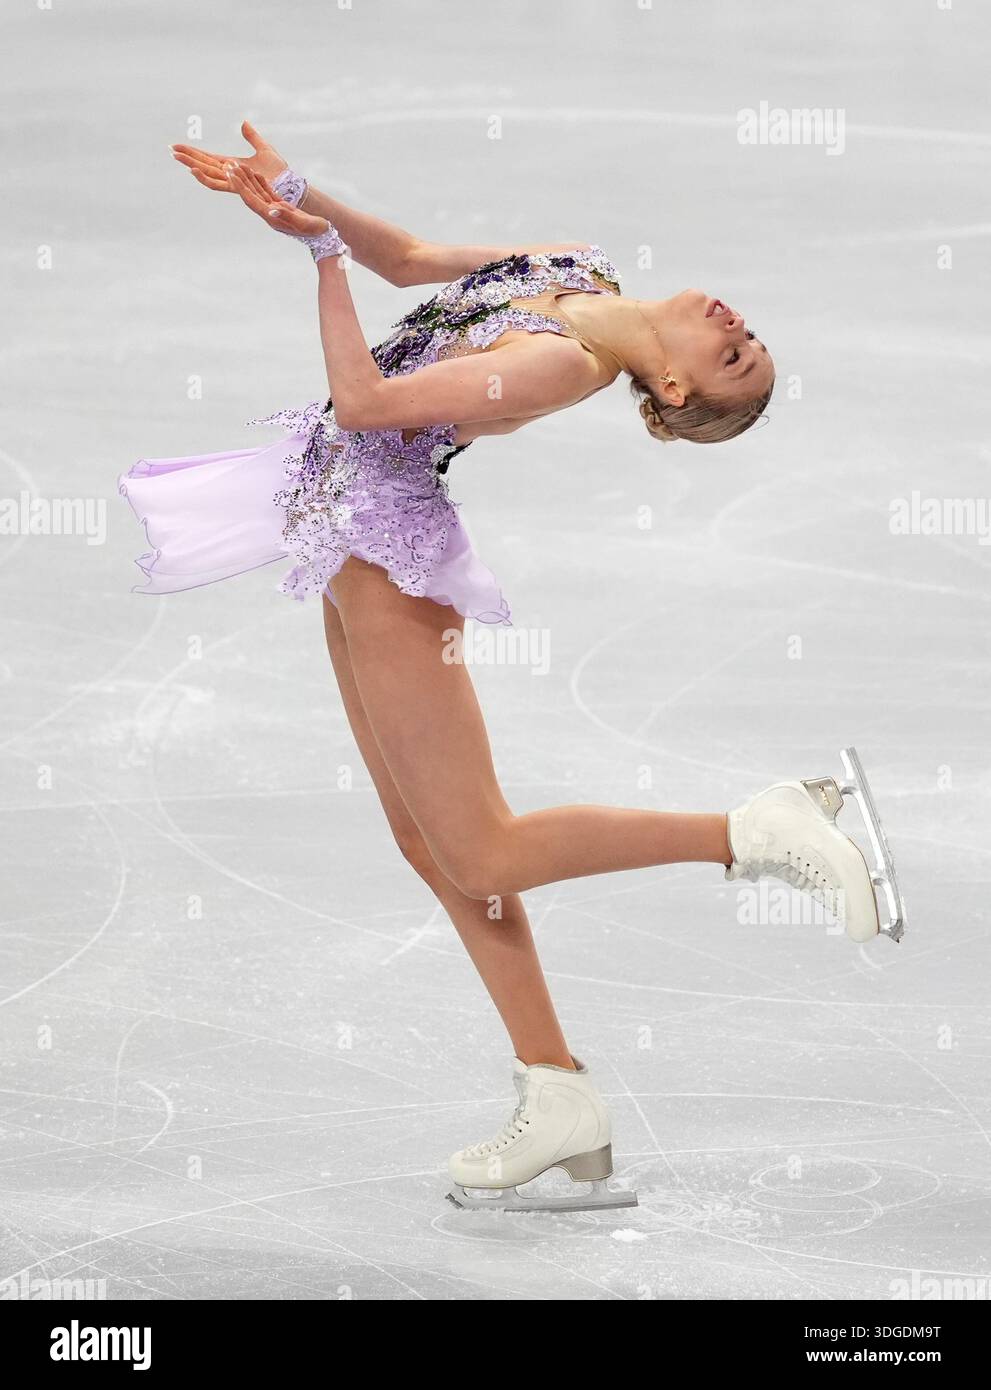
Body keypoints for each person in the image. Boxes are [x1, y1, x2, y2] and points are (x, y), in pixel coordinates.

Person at [120, 122, 901, 1213]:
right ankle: (558, 1094)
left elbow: (367, 405)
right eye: (748, 336)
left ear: (670, 388)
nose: (735, 327)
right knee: (427, 843)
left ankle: (751, 831)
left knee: (479, 845)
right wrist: (301, 196)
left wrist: (317, 259)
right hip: (344, 537)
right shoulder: (574, 270)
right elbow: (413, 257)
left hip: (387, 553)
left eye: (733, 359)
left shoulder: (557, 363)